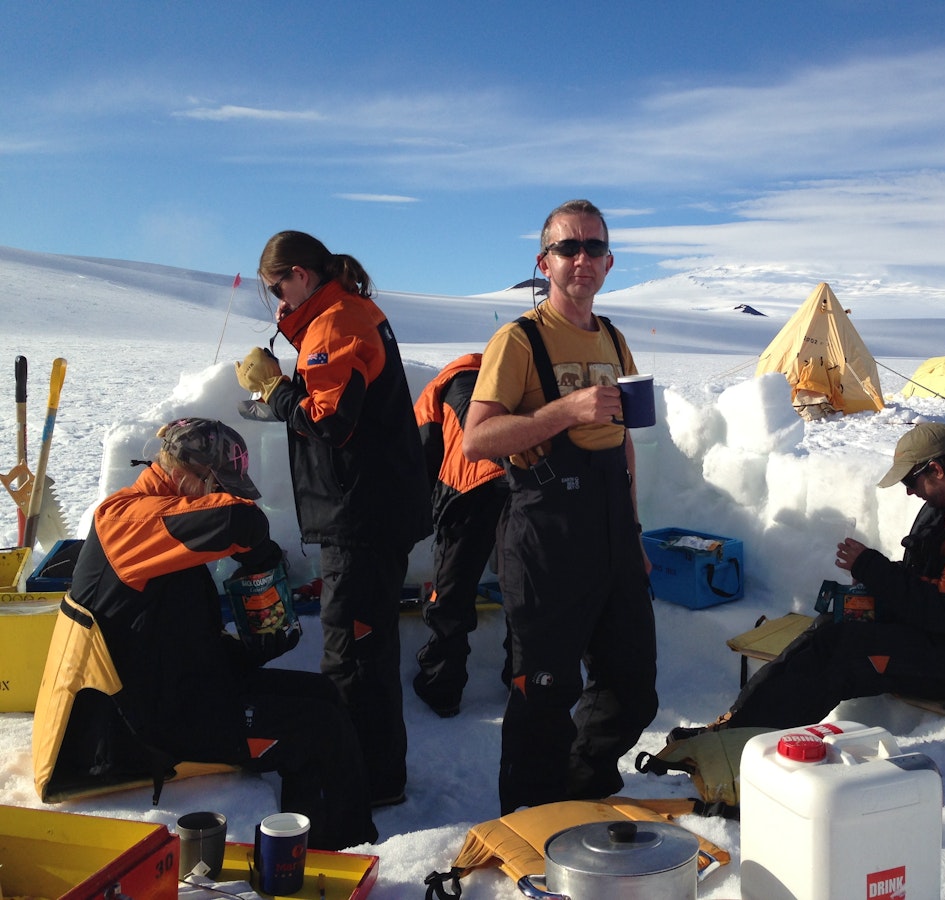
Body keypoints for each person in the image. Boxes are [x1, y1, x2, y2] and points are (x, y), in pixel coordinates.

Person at [32, 418, 377, 850]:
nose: (222, 496)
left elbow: (174, 641)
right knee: (317, 731)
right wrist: (261, 556)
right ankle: (337, 856)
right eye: (218, 486)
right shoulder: (123, 520)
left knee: (324, 695)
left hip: (181, 693)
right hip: (148, 725)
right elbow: (238, 522)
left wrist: (252, 651)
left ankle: (343, 836)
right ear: (184, 473)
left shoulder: (164, 528)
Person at [462, 199, 657, 813]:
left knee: (632, 687)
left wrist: (632, 532)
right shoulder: (519, 338)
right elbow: (478, 439)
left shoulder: (615, 338)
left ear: (609, 261)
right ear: (544, 261)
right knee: (543, 690)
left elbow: (622, 440)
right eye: (568, 248)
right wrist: (564, 412)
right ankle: (529, 816)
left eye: (593, 248)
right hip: (546, 530)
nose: (582, 259)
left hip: (610, 530)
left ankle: (580, 787)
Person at [672, 422, 945, 736]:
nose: (908, 490)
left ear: (937, 470)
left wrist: (873, 568)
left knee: (847, 655)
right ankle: (735, 725)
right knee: (831, 626)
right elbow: (926, 583)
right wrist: (871, 588)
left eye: (912, 480)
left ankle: (749, 742)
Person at [235, 232, 432, 807]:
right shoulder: (337, 315)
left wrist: (273, 389)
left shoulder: (338, 323)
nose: (275, 299)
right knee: (364, 648)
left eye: (276, 287)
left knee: (353, 654)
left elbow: (329, 423)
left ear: (299, 275)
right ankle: (375, 774)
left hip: (362, 515)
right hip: (368, 508)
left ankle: (364, 782)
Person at [412, 353, 510, 718]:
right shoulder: (511, 380)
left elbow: (420, 456)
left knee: (451, 593)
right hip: (524, 482)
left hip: (468, 487)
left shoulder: (439, 388)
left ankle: (442, 688)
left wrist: (423, 521)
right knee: (522, 588)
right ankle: (525, 681)